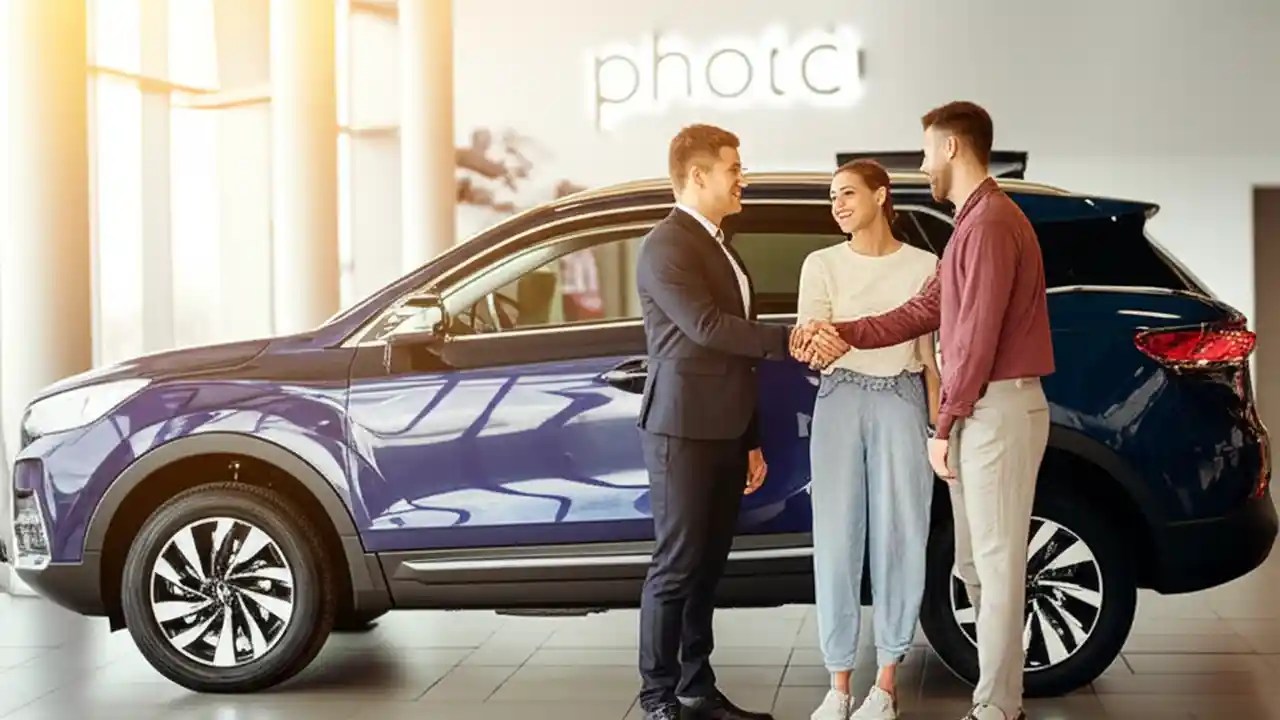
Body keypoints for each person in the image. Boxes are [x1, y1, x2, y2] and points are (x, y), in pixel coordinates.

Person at [797, 101, 1055, 720]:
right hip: (977, 412)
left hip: (995, 408)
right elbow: (921, 314)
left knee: (993, 566)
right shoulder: (969, 225)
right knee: (973, 564)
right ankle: (992, 697)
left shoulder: (990, 223)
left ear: (950, 149)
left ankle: (997, 706)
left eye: (924, 151)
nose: (921, 164)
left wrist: (942, 421)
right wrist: (845, 332)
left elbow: (976, 336)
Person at [634, 123, 807, 720]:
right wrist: (791, 340)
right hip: (682, 430)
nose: (743, 180)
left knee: (706, 567)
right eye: (735, 170)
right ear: (699, 174)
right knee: (676, 565)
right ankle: (657, 698)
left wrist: (752, 440)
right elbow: (706, 328)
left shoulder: (718, 242)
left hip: (727, 430)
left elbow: (733, 356)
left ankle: (696, 689)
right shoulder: (665, 245)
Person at [799, 159, 940, 720]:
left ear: (882, 196)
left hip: (902, 398)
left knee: (901, 533)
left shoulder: (925, 265)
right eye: (833, 196)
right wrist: (827, 341)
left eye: (848, 193)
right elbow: (815, 341)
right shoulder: (821, 263)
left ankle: (886, 683)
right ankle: (838, 685)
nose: (837, 204)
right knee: (835, 537)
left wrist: (940, 428)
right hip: (838, 402)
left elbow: (928, 357)